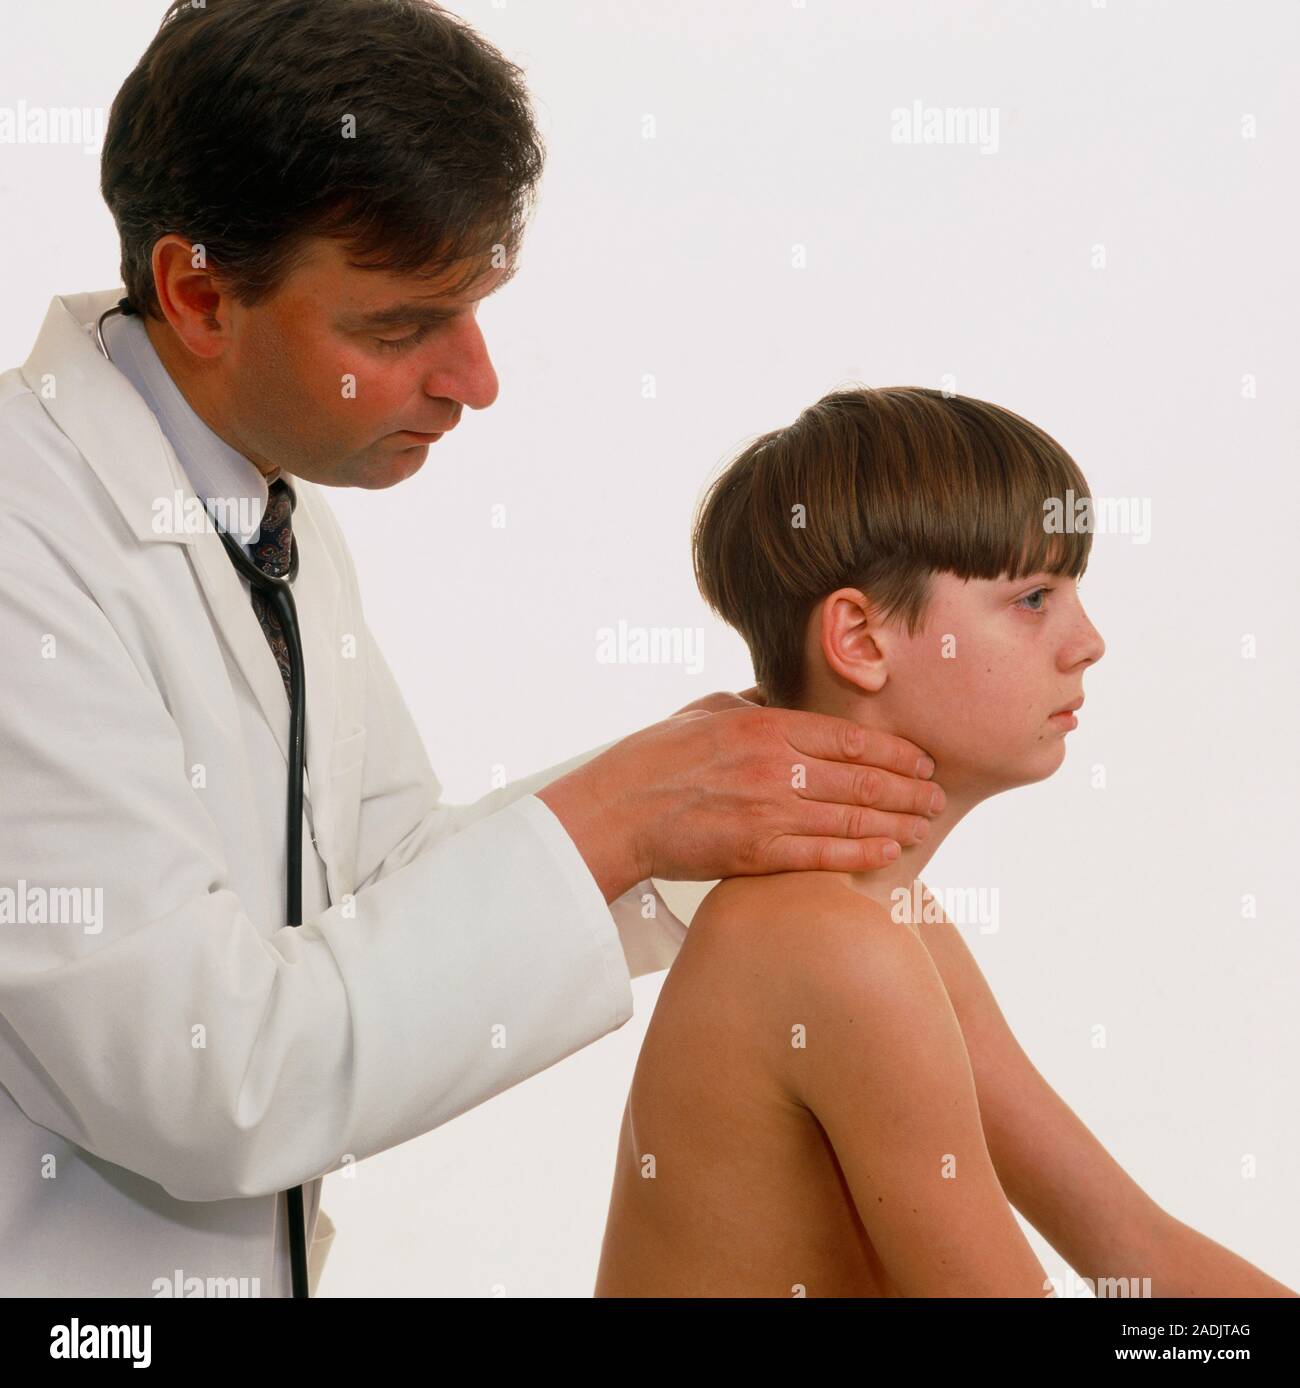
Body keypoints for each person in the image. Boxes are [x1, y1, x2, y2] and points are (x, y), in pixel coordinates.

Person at [0, 2, 944, 1296]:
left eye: (477, 309)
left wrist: (682, 803)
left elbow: (377, 894)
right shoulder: (24, 542)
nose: (476, 378)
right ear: (200, 294)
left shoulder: (260, 511)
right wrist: (624, 815)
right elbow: (208, 1070)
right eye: (399, 329)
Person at [595, 385, 1297, 1298]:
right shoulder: (823, 941)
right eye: (1035, 597)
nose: (1089, 642)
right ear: (859, 637)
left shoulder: (894, 920)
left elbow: (1141, 1256)